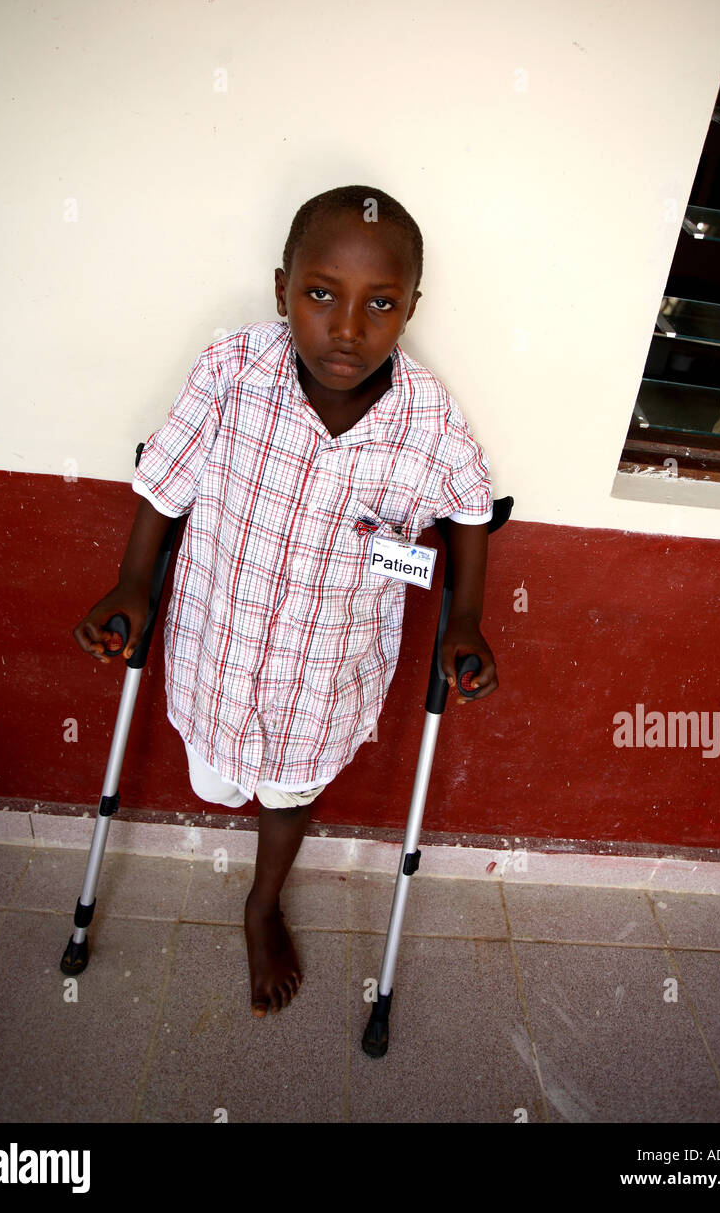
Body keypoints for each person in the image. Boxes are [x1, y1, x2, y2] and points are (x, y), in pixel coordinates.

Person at [73, 184, 499, 1018]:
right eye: (320, 295)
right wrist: (131, 581)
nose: (348, 328)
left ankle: (262, 903)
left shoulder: (429, 417)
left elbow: (471, 513)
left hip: (326, 671)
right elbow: (166, 484)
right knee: (222, 774)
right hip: (217, 647)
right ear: (281, 290)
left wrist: (466, 619)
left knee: (290, 794)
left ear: (411, 309)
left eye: (380, 303)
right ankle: (240, 800)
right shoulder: (233, 370)